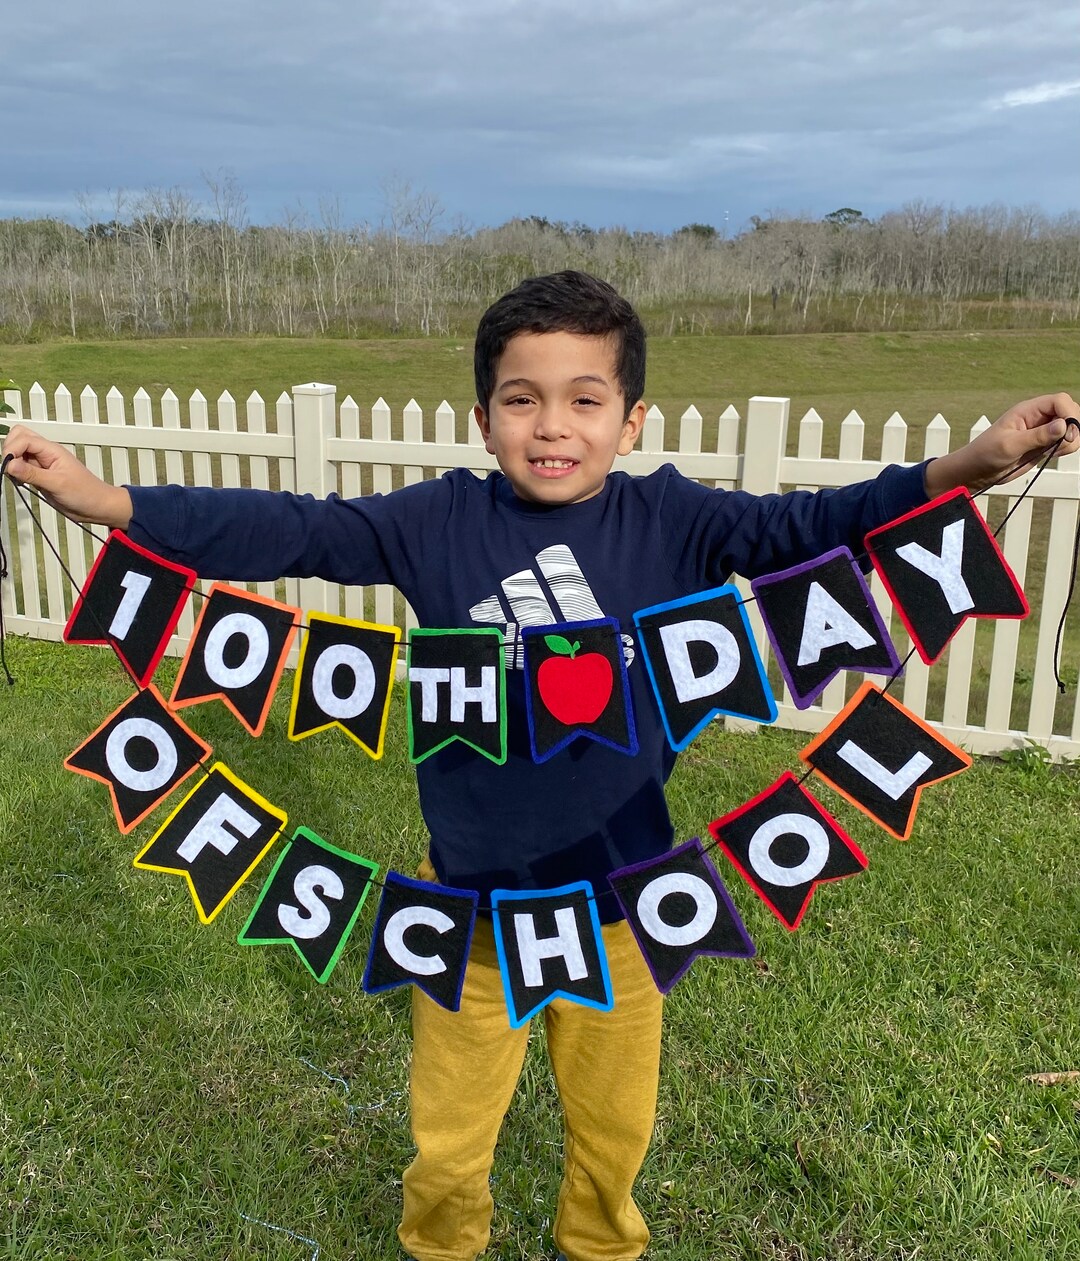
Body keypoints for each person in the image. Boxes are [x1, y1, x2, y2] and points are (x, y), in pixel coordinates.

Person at [3, 271, 1077, 1261]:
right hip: (464, 917)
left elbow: (817, 521)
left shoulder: (676, 518)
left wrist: (972, 466)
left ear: (632, 417)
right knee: (447, 1140)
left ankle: (601, 1243)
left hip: (627, 908)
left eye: (584, 398)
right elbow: (295, 530)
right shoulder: (434, 521)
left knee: (615, 1130)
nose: (552, 425)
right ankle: (443, 1244)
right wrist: (114, 505)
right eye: (521, 399)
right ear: (482, 418)